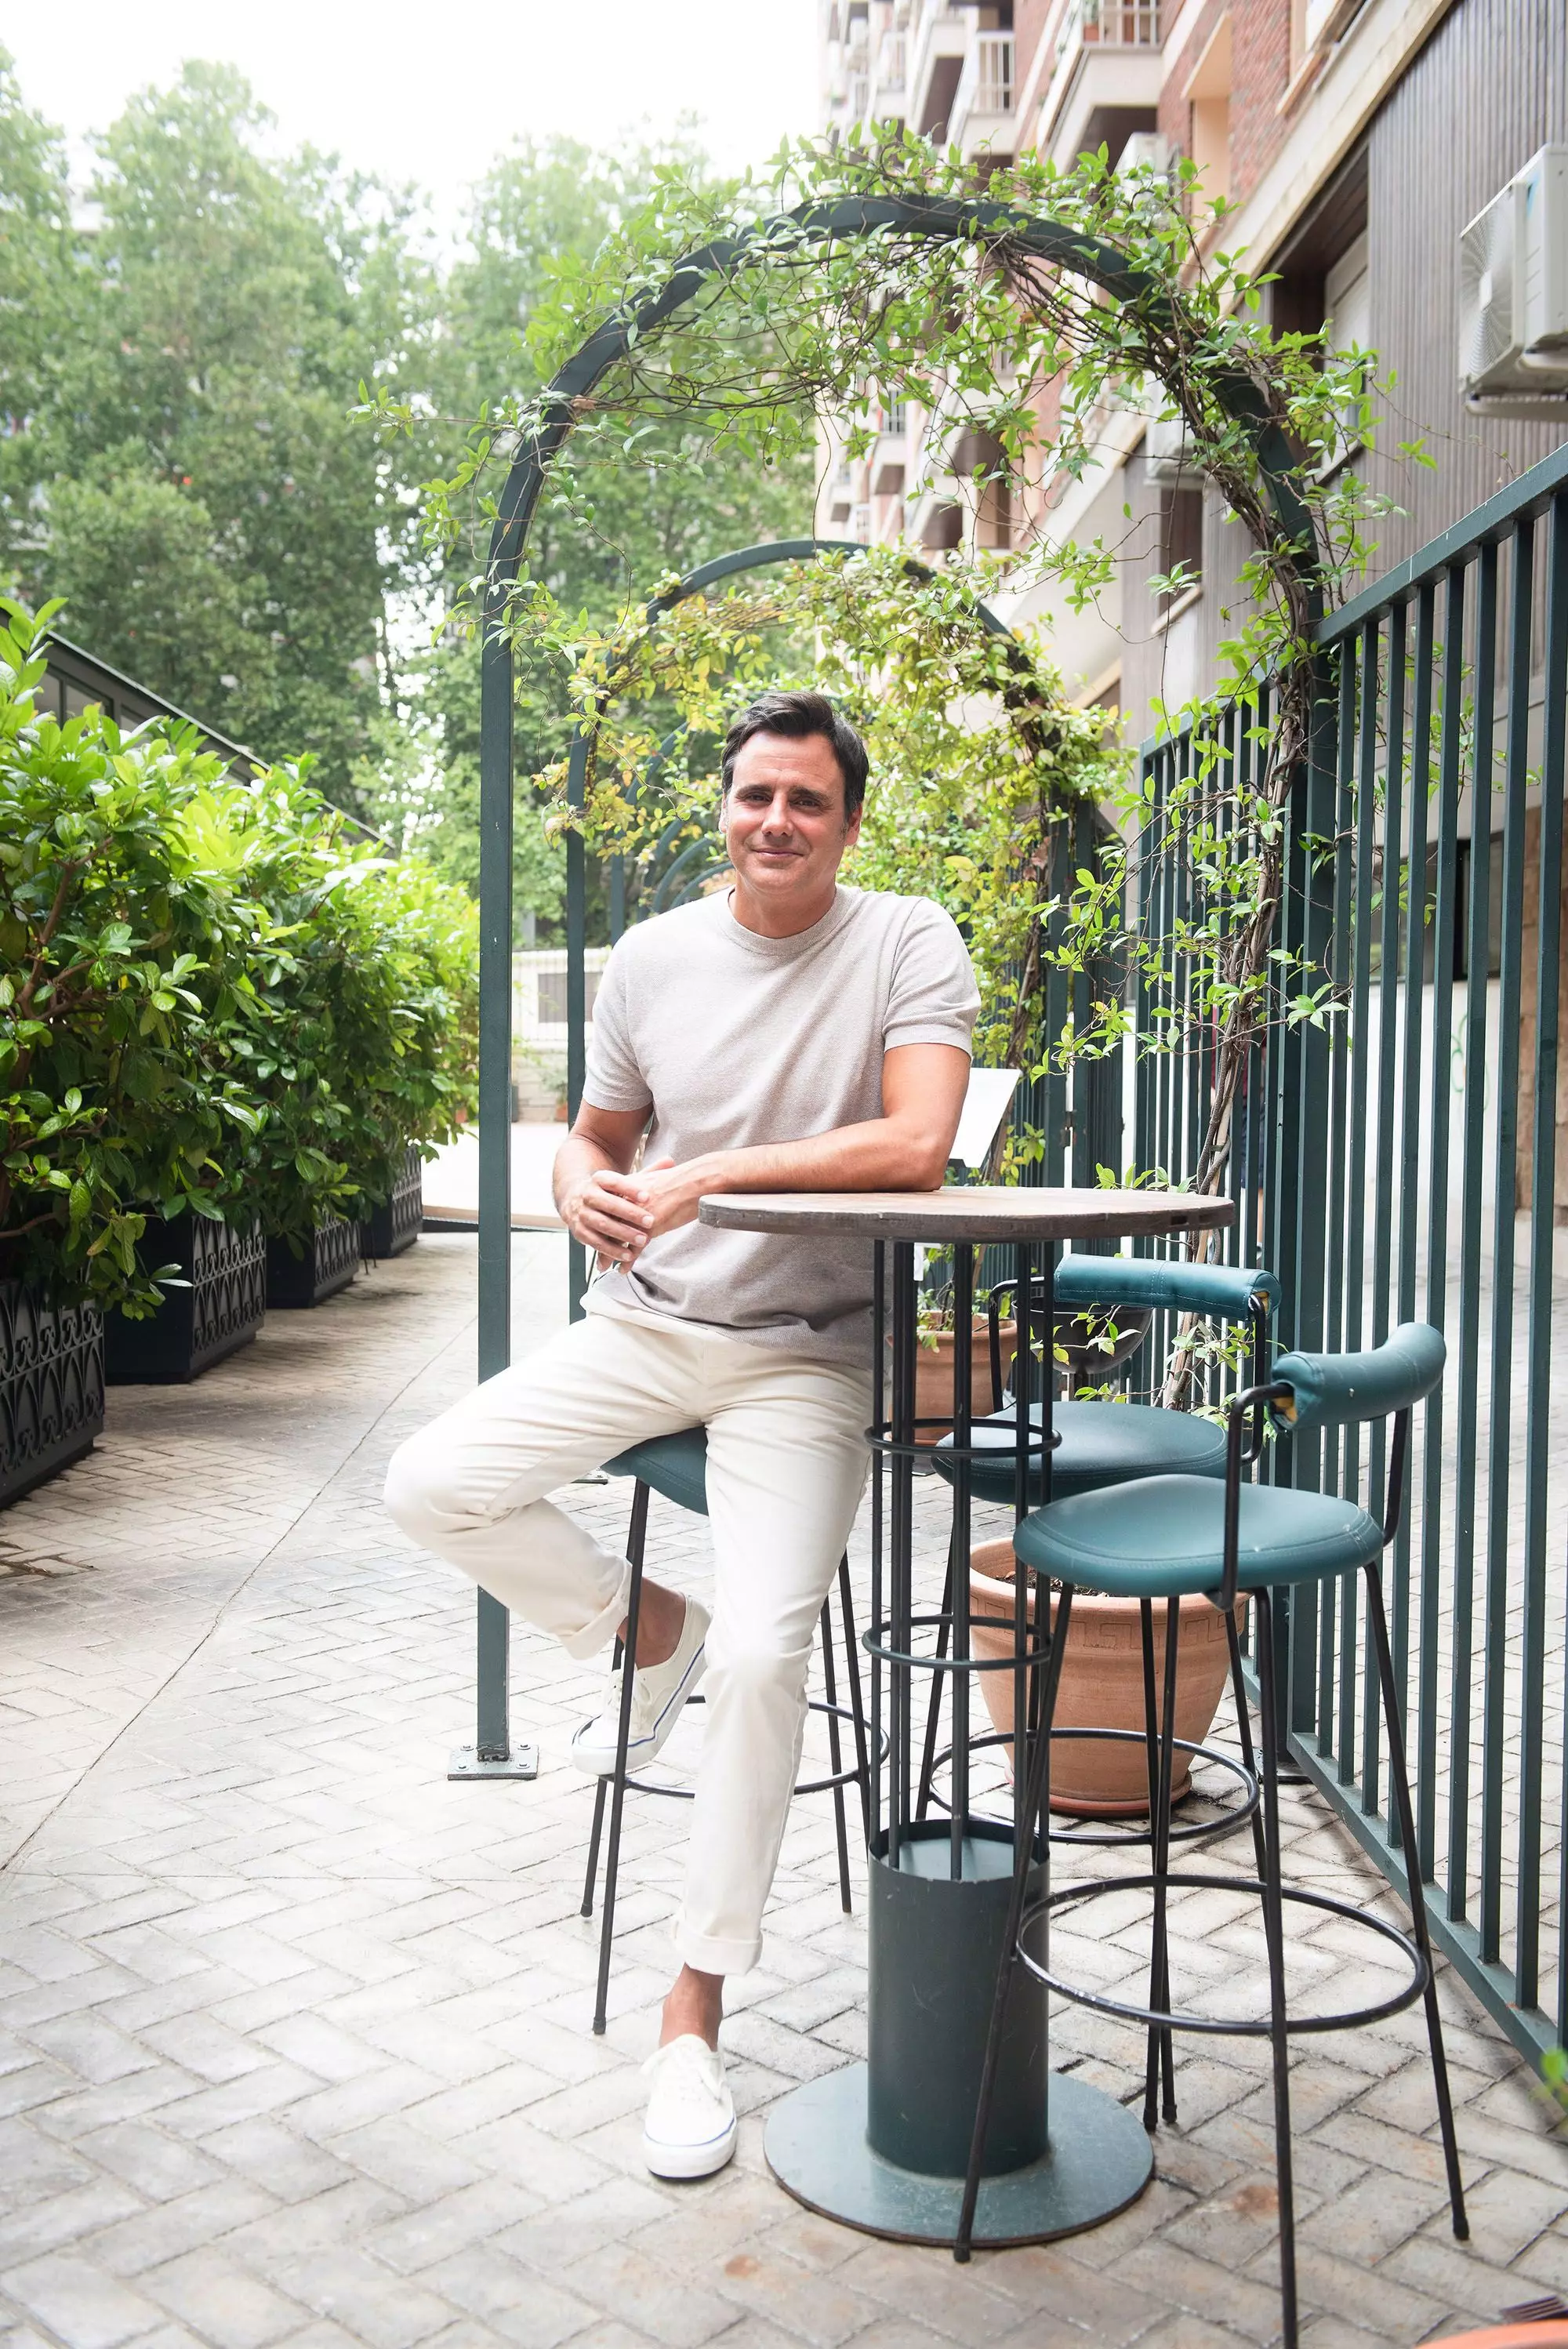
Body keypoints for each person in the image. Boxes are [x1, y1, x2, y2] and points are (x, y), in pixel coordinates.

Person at [384, 689, 978, 2180]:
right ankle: (649, 1634)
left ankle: (693, 2011)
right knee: (430, 1483)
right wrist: (582, 1180)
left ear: (850, 823)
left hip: (807, 1354)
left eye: (809, 803)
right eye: (754, 796)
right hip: (646, 1325)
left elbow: (916, 1145)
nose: (776, 822)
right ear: (724, 805)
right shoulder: (653, 955)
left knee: (777, 1650)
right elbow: (599, 1129)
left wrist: (712, 1174)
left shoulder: (906, 939)